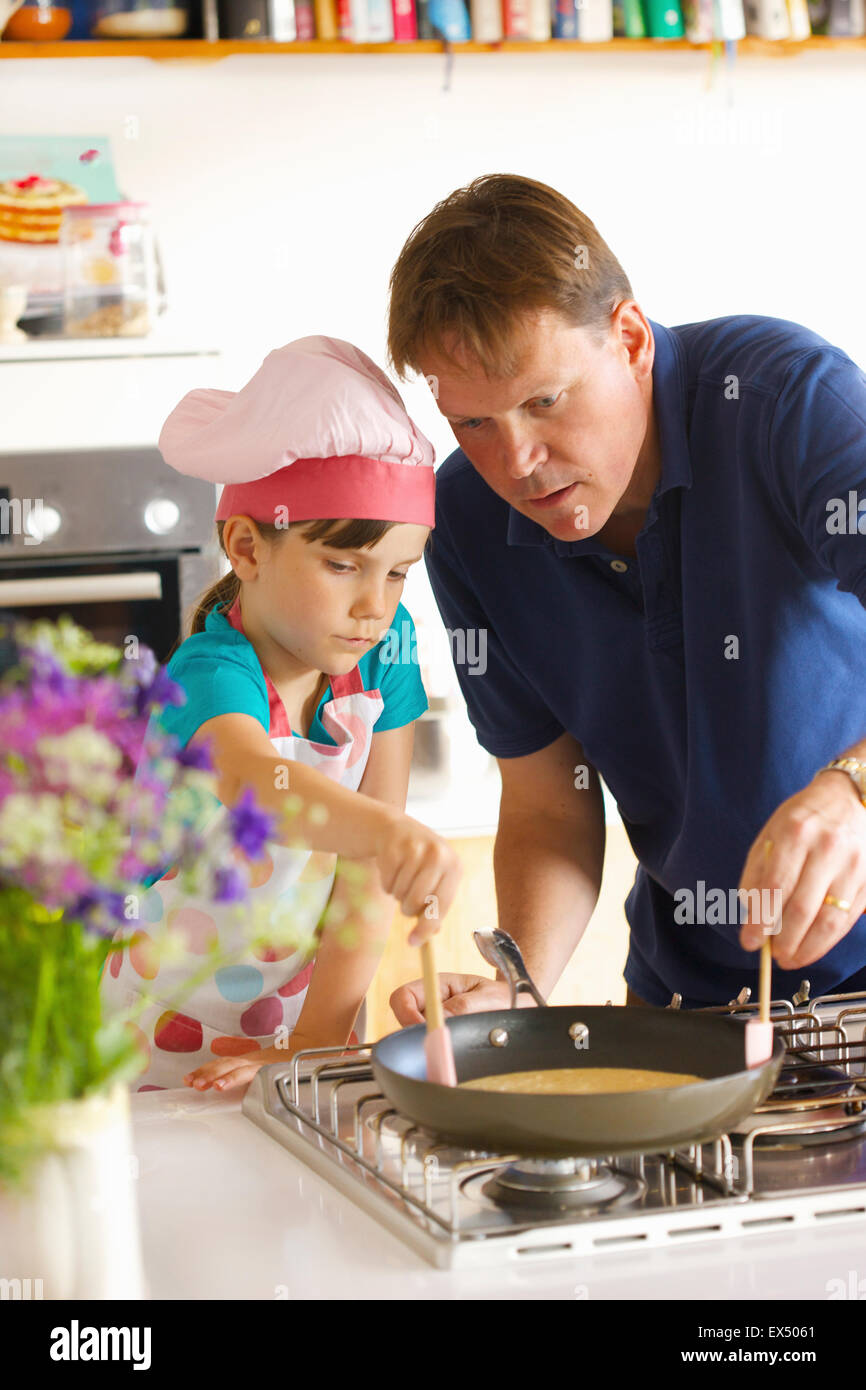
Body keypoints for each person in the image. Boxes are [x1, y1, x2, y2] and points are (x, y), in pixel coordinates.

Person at [385, 172, 866, 1019]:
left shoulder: (787, 401)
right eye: (473, 423)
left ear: (631, 338)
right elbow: (547, 802)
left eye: (544, 401)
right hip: (691, 997)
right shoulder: (459, 519)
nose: (517, 461)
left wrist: (853, 790)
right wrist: (518, 985)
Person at [100, 336, 461, 1091]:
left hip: (301, 1035)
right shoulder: (207, 674)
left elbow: (362, 872)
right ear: (247, 547)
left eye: (398, 573)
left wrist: (317, 1041)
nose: (374, 605)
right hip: (153, 1045)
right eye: (343, 566)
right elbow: (259, 783)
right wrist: (391, 832)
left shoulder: (387, 651)